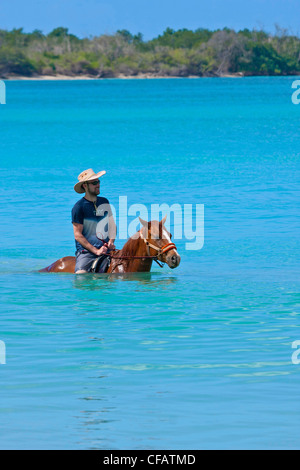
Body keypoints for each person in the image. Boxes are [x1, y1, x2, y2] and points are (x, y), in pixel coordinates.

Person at [72, 168, 116, 273]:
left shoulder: (104, 201)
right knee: (81, 276)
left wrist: (111, 241)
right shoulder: (79, 207)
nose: (98, 185)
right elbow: (77, 235)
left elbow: (112, 225)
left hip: (107, 250)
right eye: (94, 182)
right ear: (85, 186)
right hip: (87, 253)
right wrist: (96, 251)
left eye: (98, 181)